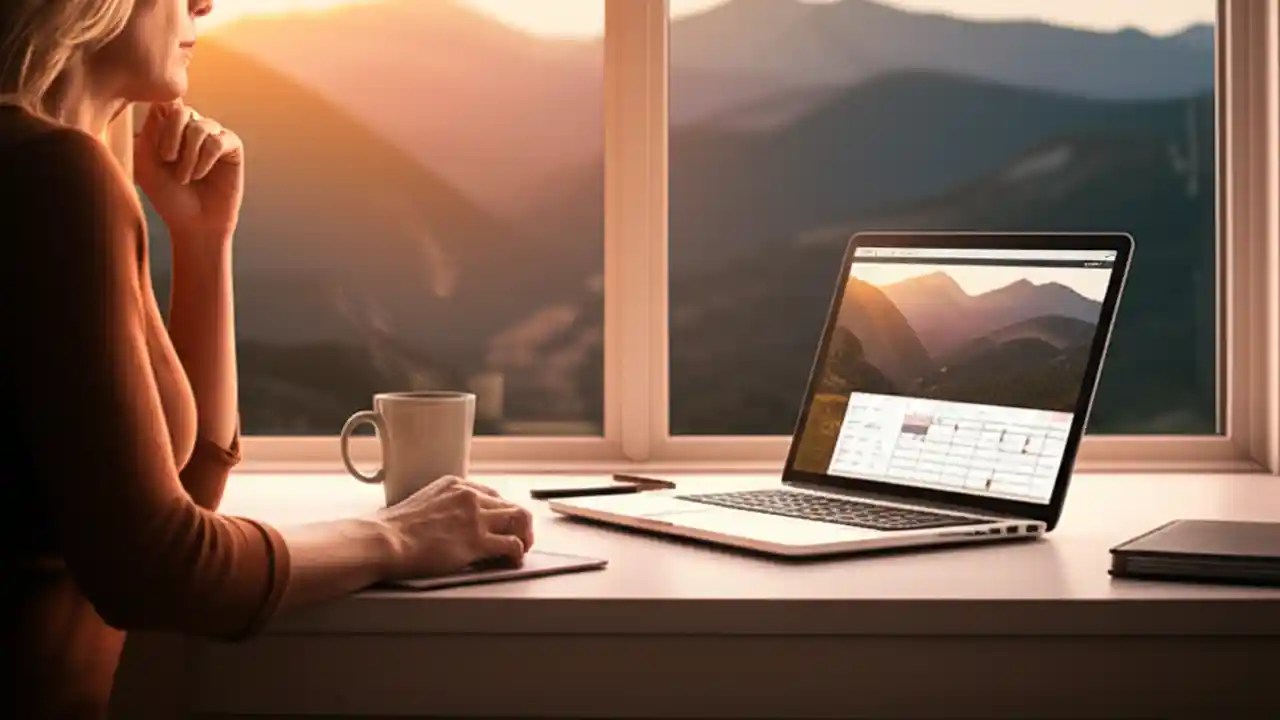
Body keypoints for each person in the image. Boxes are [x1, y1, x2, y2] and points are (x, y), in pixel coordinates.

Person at [2, 1, 536, 717]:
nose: (202, 4)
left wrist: (202, 241)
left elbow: (182, 495)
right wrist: (396, 536)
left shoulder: (59, 168)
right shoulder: (50, 177)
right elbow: (154, 569)